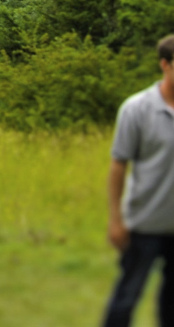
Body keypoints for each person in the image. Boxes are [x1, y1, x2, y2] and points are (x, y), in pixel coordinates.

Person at [103, 35, 174, 326]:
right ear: (164, 65)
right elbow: (118, 165)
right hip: (143, 223)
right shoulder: (136, 109)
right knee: (126, 298)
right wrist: (115, 220)